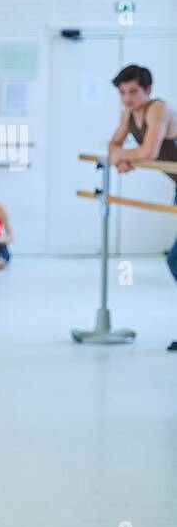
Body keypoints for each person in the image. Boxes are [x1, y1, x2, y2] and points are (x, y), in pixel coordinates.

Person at [107, 64, 177, 349]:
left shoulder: (158, 108)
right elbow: (113, 144)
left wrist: (125, 157)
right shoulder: (129, 114)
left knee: (175, 260)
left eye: (133, 91)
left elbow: (147, 151)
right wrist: (122, 156)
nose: (127, 98)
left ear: (147, 90)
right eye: (123, 92)